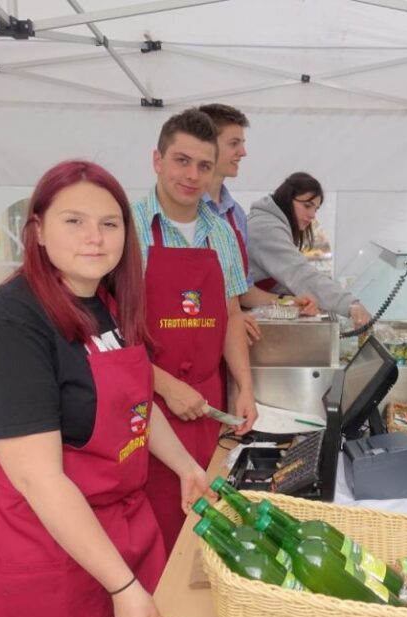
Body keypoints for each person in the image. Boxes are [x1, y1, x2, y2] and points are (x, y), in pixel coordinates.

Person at [0, 161, 211, 617]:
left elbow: (136, 405)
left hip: (110, 531)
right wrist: (123, 586)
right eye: (74, 221)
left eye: (109, 224)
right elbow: (38, 479)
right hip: (34, 542)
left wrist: (186, 467)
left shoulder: (104, 303)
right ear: (39, 230)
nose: (95, 237)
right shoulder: (11, 326)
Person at [131, 109, 258, 551]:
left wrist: (244, 386)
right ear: (157, 160)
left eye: (204, 165)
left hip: (207, 403)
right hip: (146, 403)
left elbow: (230, 316)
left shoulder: (220, 231)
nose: (192, 176)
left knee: (203, 518)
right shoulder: (128, 230)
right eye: (181, 161)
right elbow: (111, 335)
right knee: (155, 523)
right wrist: (164, 386)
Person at [198, 104, 316, 343]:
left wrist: (287, 302)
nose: (243, 152)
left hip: (225, 343)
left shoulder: (236, 215)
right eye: (234, 143)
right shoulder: (182, 210)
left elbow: (242, 292)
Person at [247, 172, 371, 327]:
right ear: (287, 198)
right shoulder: (266, 228)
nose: (312, 215)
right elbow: (300, 274)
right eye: (307, 206)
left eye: (316, 209)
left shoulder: (271, 223)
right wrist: (350, 304)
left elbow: (283, 279)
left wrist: (300, 299)